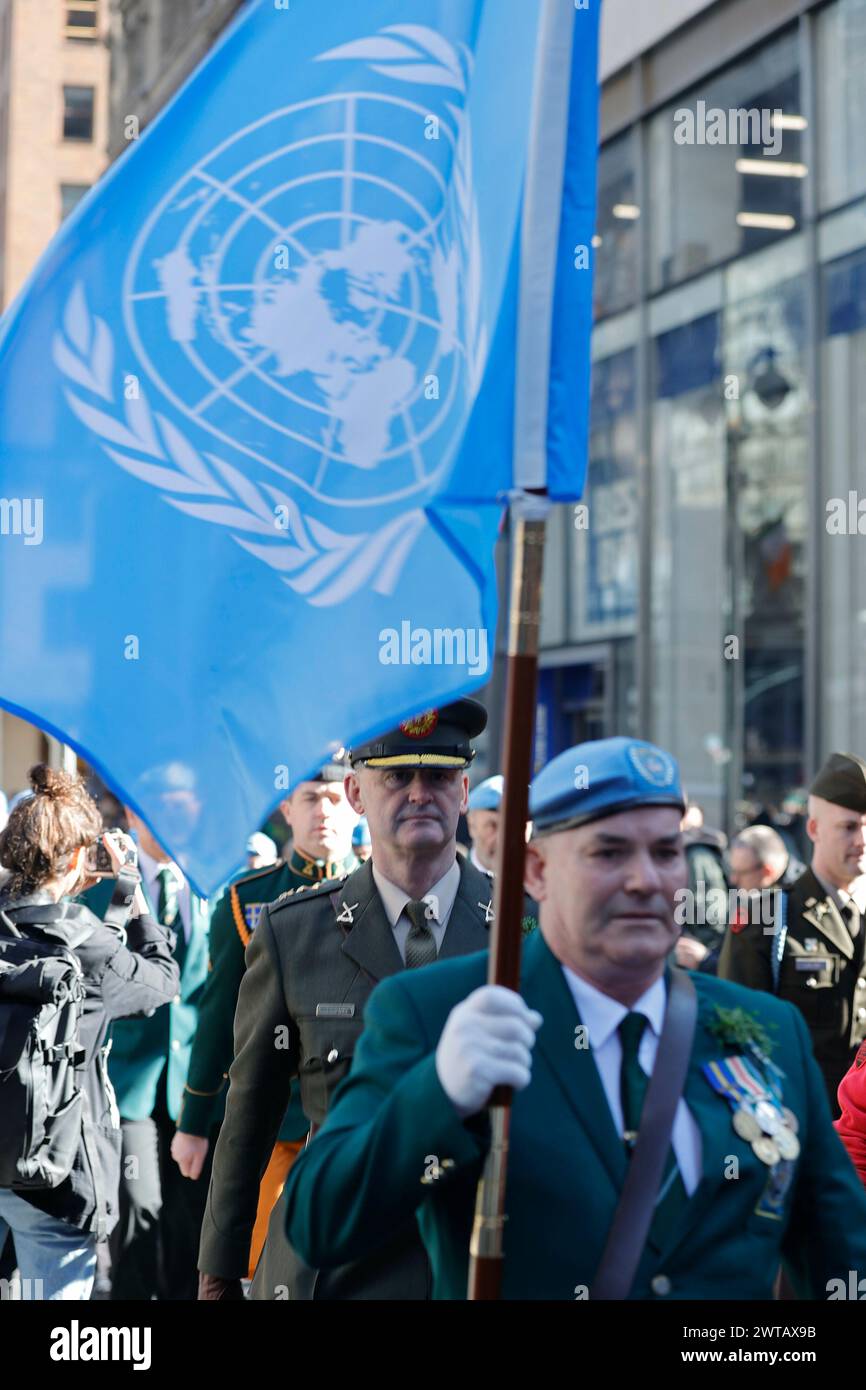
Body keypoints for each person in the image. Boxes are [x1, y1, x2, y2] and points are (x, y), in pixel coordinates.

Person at [281, 736, 866, 1300]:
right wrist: (437, 1094)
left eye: (665, 852)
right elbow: (321, 1221)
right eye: (609, 852)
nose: (645, 879)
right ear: (535, 870)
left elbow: (843, 1254)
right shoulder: (441, 1010)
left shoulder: (768, 1031)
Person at [197, 700, 494, 1301]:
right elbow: (249, 1113)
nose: (419, 794)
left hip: (477, 1257)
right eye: (396, 777)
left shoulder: (523, 930)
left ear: (463, 792)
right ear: (357, 795)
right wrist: (219, 1270)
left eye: (438, 777)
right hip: (338, 1260)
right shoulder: (293, 932)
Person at [171, 756, 359, 1280]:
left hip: (355, 1116)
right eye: (310, 799)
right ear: (286, 809)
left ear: (356, 801)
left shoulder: (383, 894)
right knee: (257, 1265)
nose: (324, 812)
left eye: (335, 799)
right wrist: (194, 1122)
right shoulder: (248, 898)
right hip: (274, 1120)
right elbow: (218, 1015)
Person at [0, 765, 178, 1300]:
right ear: (79, 858)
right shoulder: (91, 947)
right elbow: (161, 984)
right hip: (55, 1173)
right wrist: (133, 890)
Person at [83, 807, 210, 1300]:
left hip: (193, 1082)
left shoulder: (210, 886)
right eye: (165, 804)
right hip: (127, 1080)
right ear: (135, 813)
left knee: (185, 1219)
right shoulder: (99, 890)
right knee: (136, 1207)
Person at [718, 752, 866, 1112]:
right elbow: (737, 1036)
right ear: (813, 829)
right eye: (848, 828)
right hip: (797, 1126)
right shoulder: (766, 914)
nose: (861, 840)